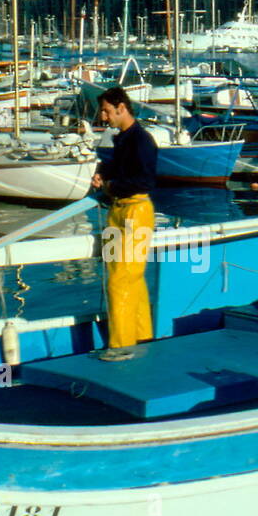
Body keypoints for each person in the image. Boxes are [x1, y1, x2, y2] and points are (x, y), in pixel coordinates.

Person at [92, 87, 158, 360]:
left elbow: (144, 181)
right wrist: (103, 175)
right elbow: (119, 169)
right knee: (130, 277)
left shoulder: (142, 140)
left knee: (121, 280)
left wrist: (110, 184)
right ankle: (142, 335)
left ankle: (120, 346)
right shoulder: (122, 139)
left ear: (121, 107)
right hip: (118, 211)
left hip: (135, 212)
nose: (104, 117)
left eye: (107, 111)